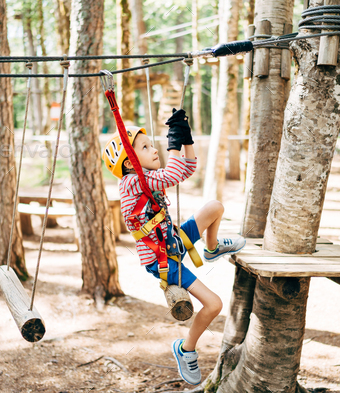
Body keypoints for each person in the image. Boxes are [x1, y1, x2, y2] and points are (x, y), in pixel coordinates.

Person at [102, 109, 246, 385]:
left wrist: (185, 137)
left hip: (173, 241)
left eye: (152, 144)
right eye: (145, 147)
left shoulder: (147, 177)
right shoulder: (134, 182)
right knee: (214, 304)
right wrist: (174, 137)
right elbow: (176, 171)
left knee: (215, 207)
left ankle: (212, 248)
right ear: (130, 163)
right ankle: (186, 348)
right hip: (162, 260)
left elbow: (187, 168)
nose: (154, 149)